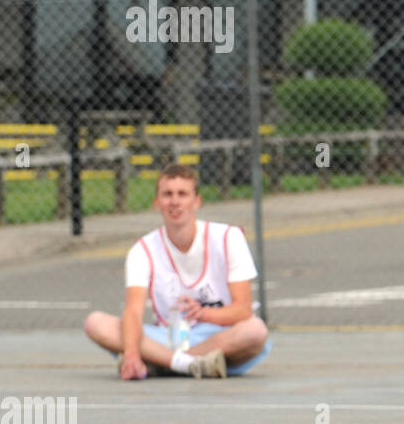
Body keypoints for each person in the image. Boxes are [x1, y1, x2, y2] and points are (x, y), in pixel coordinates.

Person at [83, 163, 272, 380]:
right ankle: (189, 364)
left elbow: (243, 310)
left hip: (218, 335)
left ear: (197, 201)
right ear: (156, 202)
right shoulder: (142, 250)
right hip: (167, 336)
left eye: (182, 194)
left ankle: (163, 362)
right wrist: (132, 354)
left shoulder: (229, 238)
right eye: (167, 194)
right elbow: (133, 312)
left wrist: (203, 313)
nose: (174, 201)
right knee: (96, 323)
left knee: (255, 331)